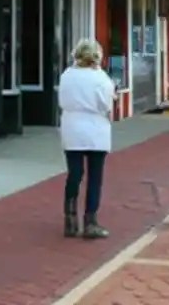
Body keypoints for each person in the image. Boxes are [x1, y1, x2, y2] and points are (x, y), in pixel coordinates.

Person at [58, 38, 115, 239]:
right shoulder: (101, 79)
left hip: (72, 128)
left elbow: (62, 100)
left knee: (74, 173)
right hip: (95, 130)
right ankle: (90, 221)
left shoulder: (66, 76)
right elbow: (106, 105)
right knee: (94, 176)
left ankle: (70, 219)